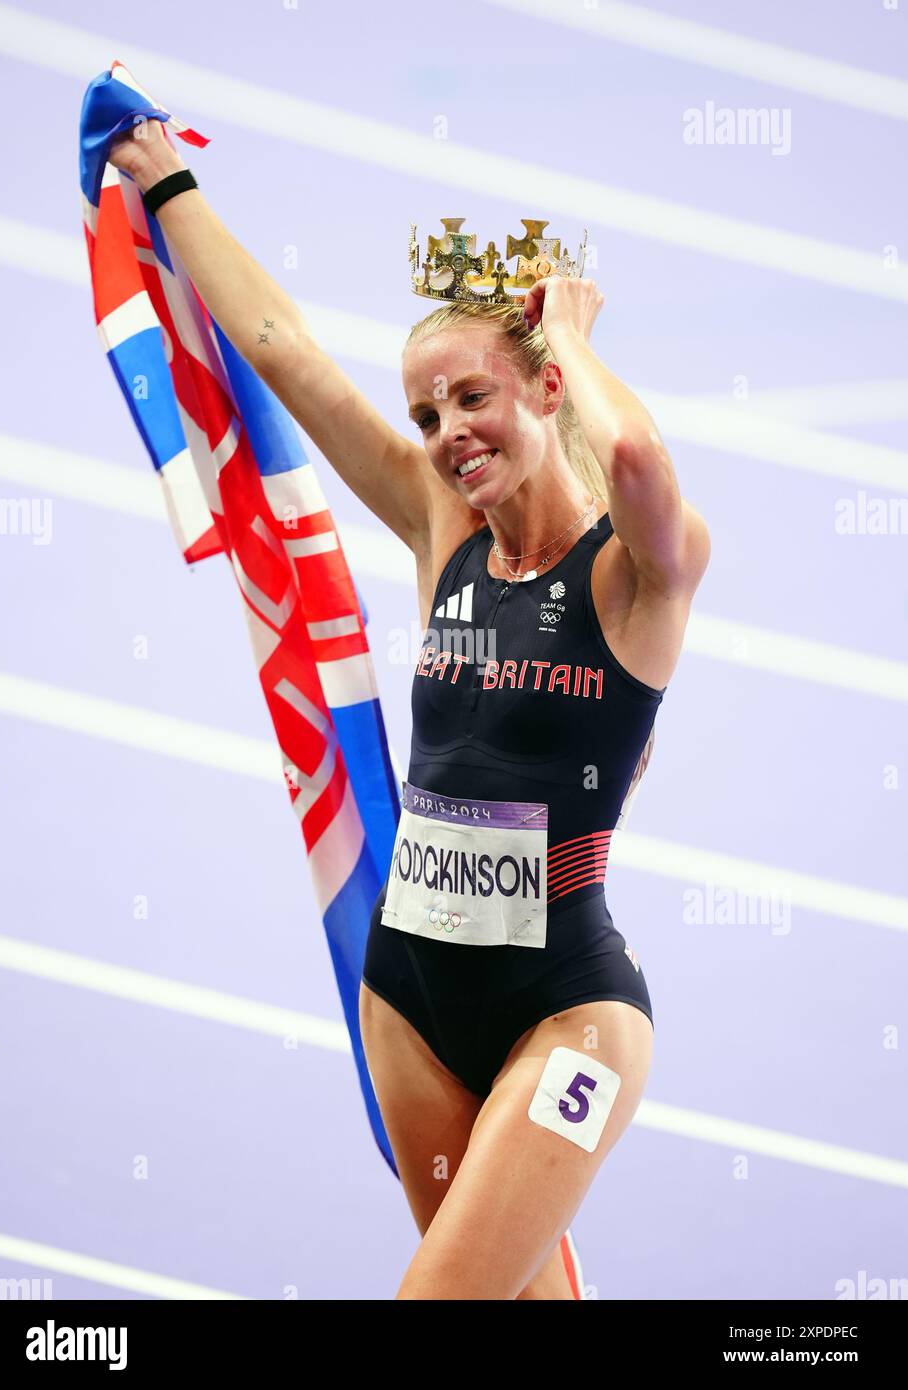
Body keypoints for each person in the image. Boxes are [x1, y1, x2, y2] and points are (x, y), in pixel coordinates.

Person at [108, 122, 710, 1301]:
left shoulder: (636, 576)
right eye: (427, 417)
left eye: (472, 399)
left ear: (548, 388)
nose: (446, 438)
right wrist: (160, 176)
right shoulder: (444, 532)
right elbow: (284, 353)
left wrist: (566, 330)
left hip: (567, 1016)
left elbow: (636, 454)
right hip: (408, 1002)